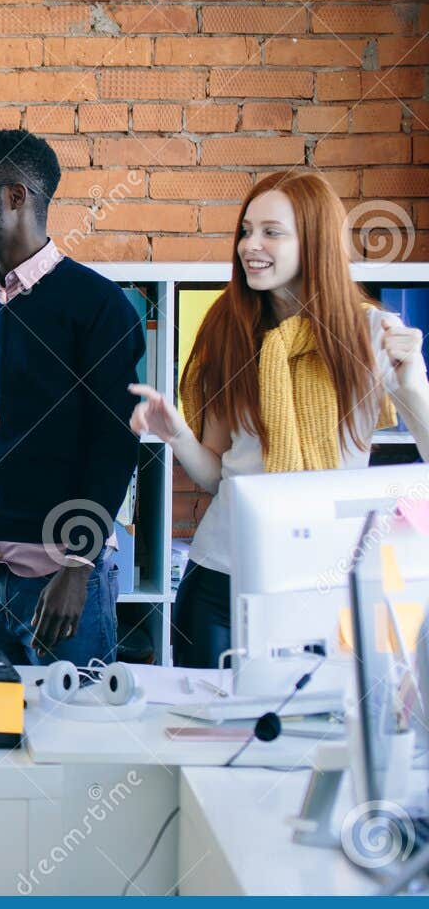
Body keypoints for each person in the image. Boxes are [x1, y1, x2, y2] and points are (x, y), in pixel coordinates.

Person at [130, 169, 429, 668]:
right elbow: (218, 477)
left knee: (312, 739)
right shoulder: (227, 327)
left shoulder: (370, 333)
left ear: (313, 241)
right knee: (210, 738)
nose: (250, 244)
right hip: (220, 583)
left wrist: (413, 384)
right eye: (246, 230)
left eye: (272, 231)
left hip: (324, 583)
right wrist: (177, 433)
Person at [0, 130, 144, 668]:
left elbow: (113, 444)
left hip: (64, 579)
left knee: (72, 737)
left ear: (15, 196)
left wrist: (78, 568)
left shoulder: (98, 305)